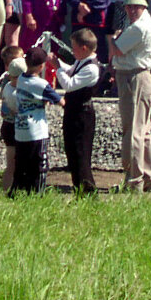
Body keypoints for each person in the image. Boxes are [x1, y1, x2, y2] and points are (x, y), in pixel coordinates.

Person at [109, 0, 151, 193]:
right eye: (128, 7)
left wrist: (114, 37)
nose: (131, 11)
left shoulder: (138, 28)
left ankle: (134, 180)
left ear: (143, 6)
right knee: (143, 131)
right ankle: (150, 176)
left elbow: (116, 49)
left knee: (134, 132)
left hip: (134, 76)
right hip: (138, 75)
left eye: (135, 6)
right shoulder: (144, 24)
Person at [48, 28, 100, 193]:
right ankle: (78, 184)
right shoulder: (81, 62)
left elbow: (69, 84)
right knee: (71, 148)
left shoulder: (92, 69)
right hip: (73, 110)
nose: (72, 50)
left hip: (82, 113)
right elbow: (71, 71)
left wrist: (57, 68)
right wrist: (59, 63)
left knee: (81, 151)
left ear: (84, 48)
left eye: (74, 47)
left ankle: (87, 188)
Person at [12, 47, 63, 194]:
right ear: (42, 66)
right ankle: (38, 194)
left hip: (20, 130)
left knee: (21, 165)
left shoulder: (21, 78)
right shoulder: (41, 84)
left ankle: (17, 192)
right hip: (37, 132)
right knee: (39, 166)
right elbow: (60, 101)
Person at [0, 46, 27, 192]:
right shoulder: (8, 83)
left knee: (22, 162)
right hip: (11, 125)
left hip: (18, 125)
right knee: (11, 163)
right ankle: (7, 190)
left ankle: (19, 188)